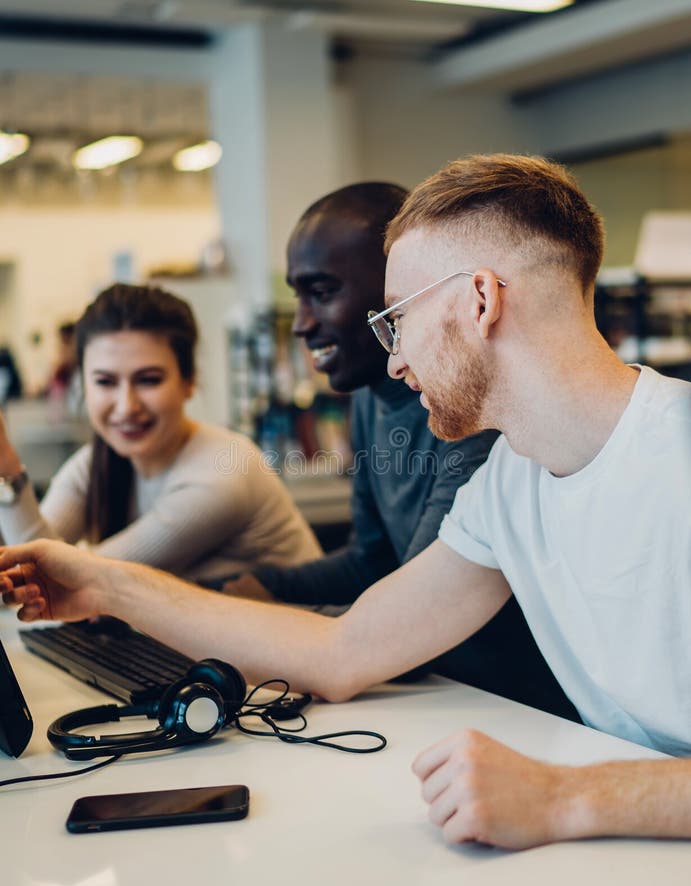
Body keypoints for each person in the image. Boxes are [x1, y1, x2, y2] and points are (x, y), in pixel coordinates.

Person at [2, 154, 691, 850]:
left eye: (395, 319)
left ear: (479, 300)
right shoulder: (506, 483)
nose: (390, 360)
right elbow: (343, 650)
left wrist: (566, 797)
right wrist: (105, 585)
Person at [226, 181, 576, 720]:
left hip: (504, 711)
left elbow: (392, 634)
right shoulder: (377, 404)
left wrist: (252, 614)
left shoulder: (480, 425)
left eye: (397, 314)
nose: (301, 323)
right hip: (445, 704)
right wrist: (260, 591)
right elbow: (376, 563)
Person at [0, 283, 322, 581]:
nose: (126, 406)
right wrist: (5, 471)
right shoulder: (99, 460)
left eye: (149, 379)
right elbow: (28, 566)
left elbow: (67, 582)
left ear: (189, 380)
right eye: (105, 382)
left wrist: (7, 465)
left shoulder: (223, 472)